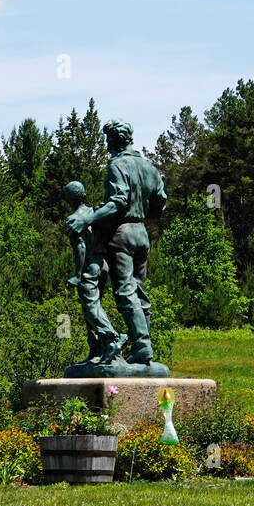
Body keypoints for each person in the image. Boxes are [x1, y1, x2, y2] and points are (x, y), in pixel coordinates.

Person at [66, 119, 167, 367]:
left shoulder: (117, 165)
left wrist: (88, 218)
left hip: (122, 233)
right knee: (140, 292)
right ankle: (141, 347)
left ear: (112, 140)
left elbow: (117, 202)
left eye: (107, 140)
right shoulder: (150, 168)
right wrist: (141, 213)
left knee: (125, 291)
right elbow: (161, 202)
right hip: (142, 233)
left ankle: (142, 345)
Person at [63, 180, 125, 365]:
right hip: (103, 264)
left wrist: (78, 274)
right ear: (83, 195)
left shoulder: (74, 219)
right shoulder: (94, 213)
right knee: (92, 307)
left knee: (91, 308)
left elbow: (80, 247)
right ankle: (96, 351)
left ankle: (114, 338)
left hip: (89, 266)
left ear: (68, 200)